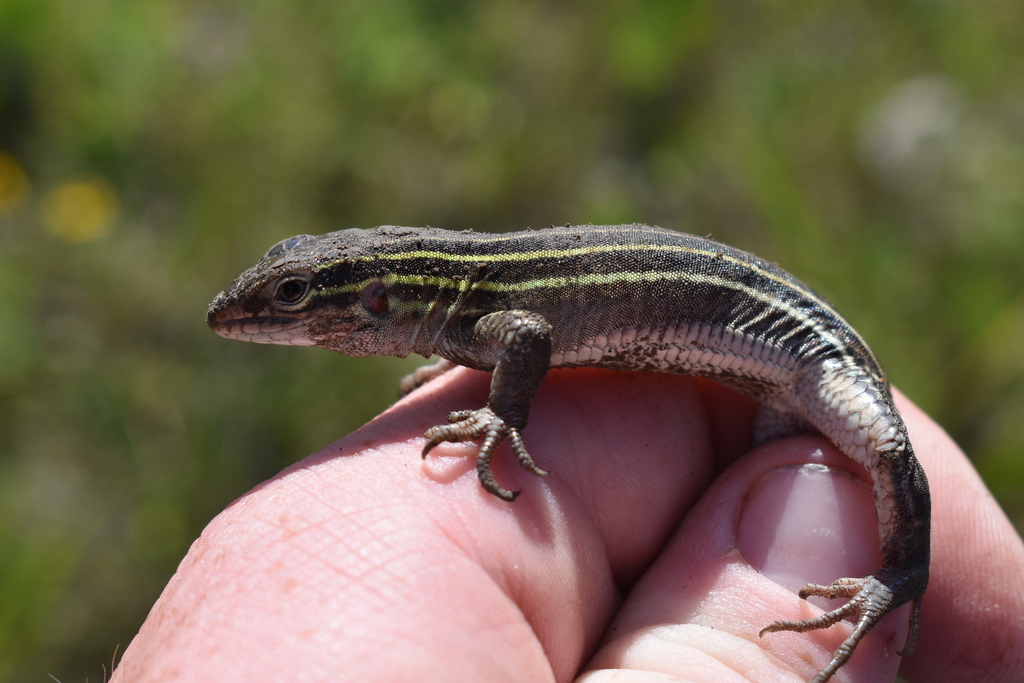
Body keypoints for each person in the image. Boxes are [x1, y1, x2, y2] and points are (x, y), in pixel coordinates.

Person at [110, 367, 1024, 682]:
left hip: (803, 353)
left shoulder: (495, 312)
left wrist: (501, 410)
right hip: (755, 385)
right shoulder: (475, 306)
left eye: (295, 298)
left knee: (883, 445)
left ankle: (902, 572)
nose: (257, 319)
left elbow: (528, 339)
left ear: (372, 299)